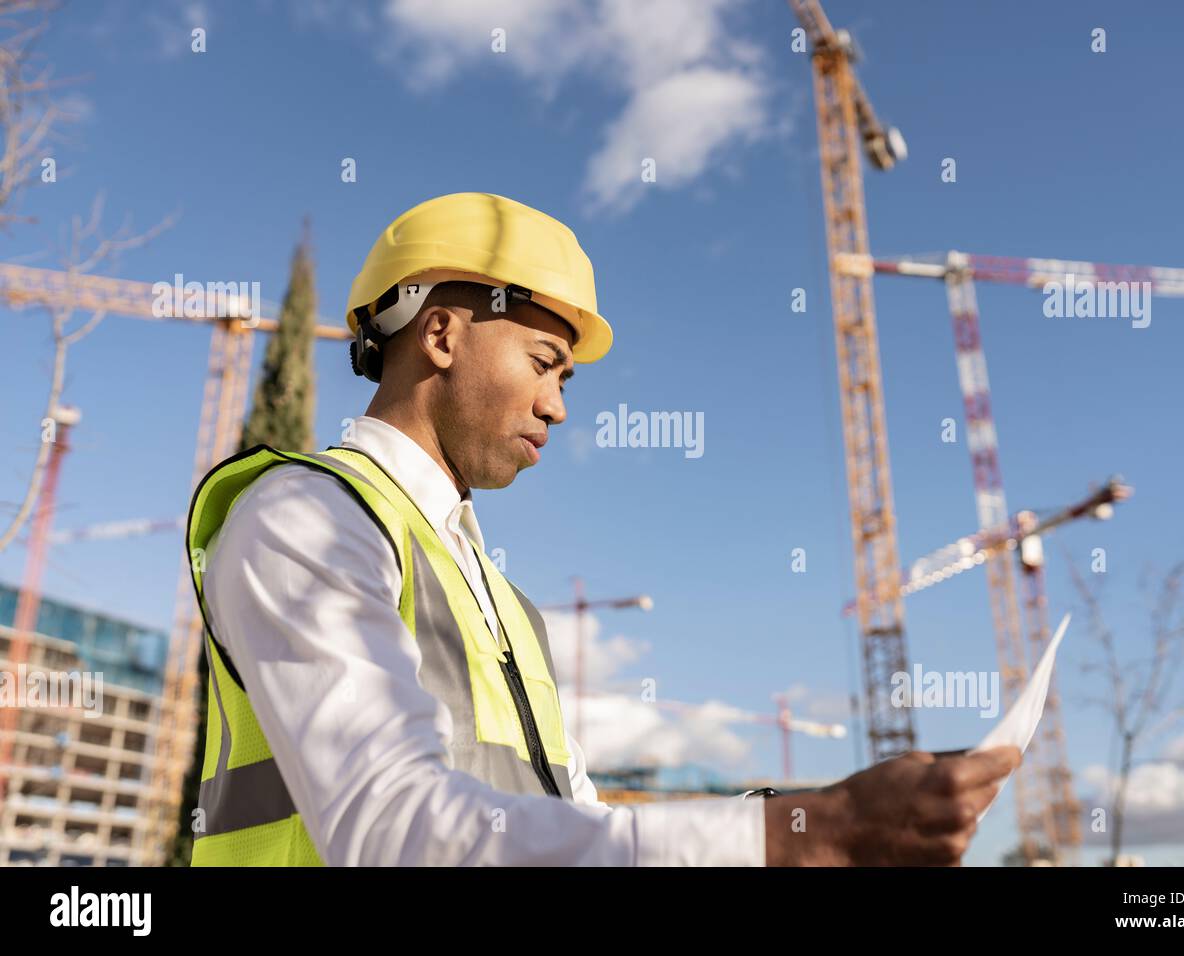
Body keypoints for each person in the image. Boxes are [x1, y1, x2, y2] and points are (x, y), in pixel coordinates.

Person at [186, 192, 1021, 866]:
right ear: (440, 333)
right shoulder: (306, 517)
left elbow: (574, 821)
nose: (557, 404)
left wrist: (803, 822)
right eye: (544, 362)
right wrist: (795, 840)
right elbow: (391, 830)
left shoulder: (505, 605)